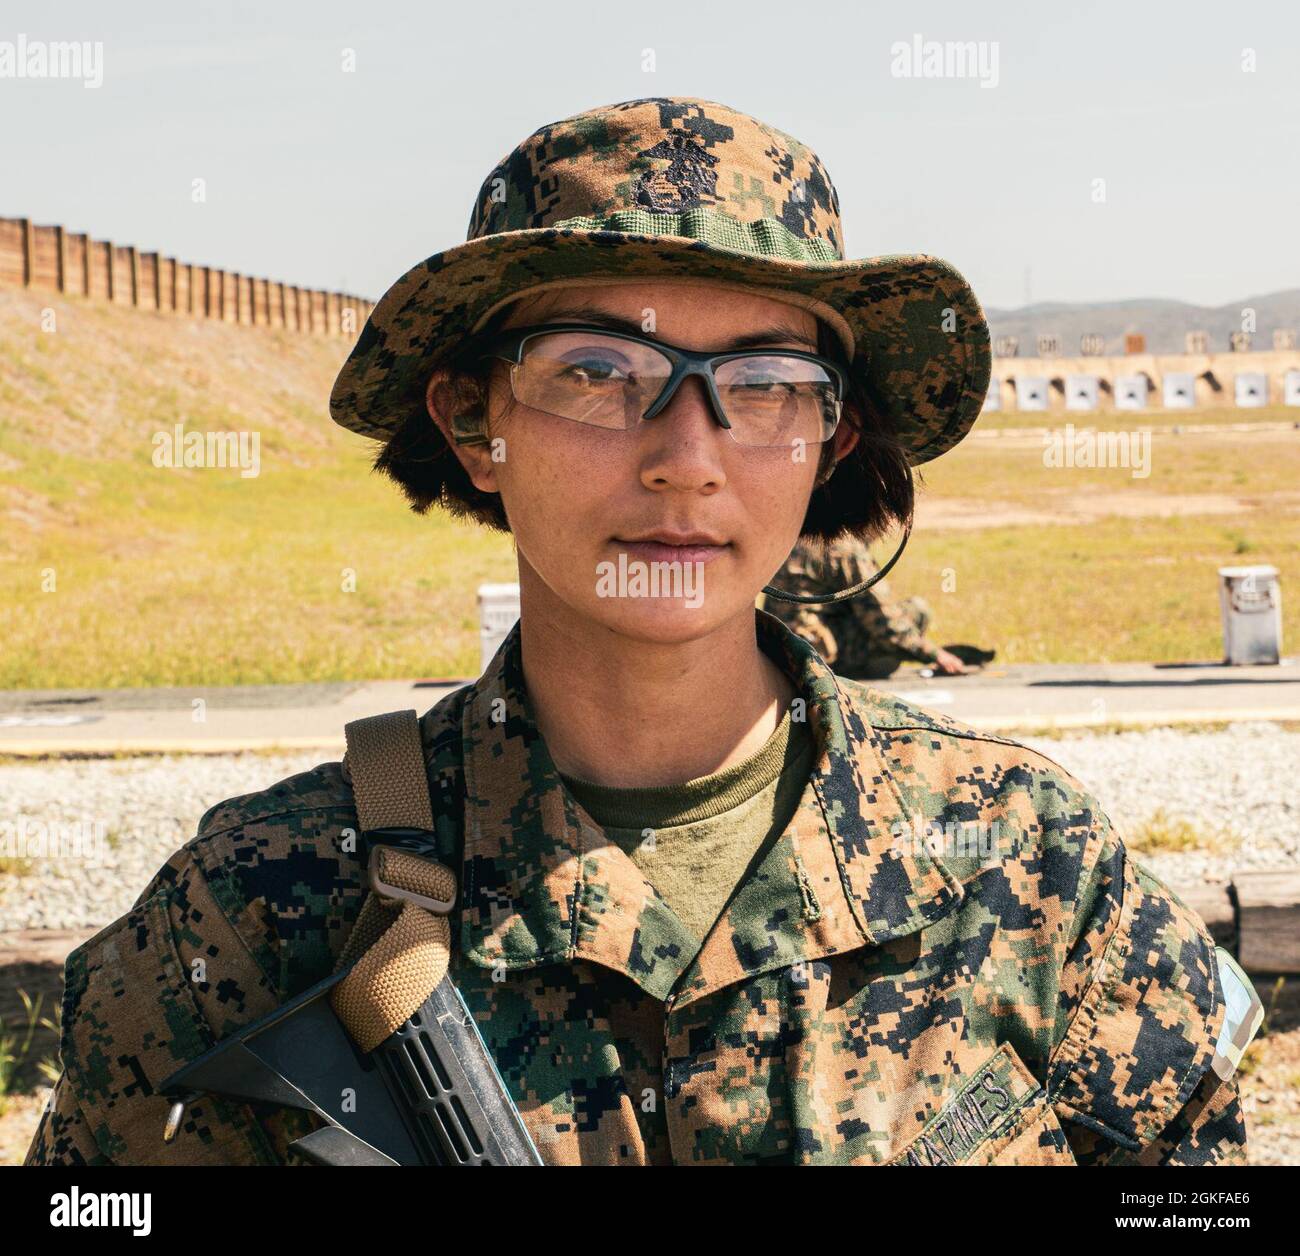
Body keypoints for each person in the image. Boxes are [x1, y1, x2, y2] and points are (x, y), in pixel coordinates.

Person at [27, 96, 1255, 1167]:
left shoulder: (1025, 859)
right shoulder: (261, 909)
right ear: (472, 420)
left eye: (764, 383)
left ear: (828, 442)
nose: (685, 459)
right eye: (595, 370)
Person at [765, 535, 982, 678]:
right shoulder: (845, 546)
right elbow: (885, 621)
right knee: (916, 611)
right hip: (812, 653)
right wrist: (935, 654)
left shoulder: (800, 533)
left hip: (777, 647)